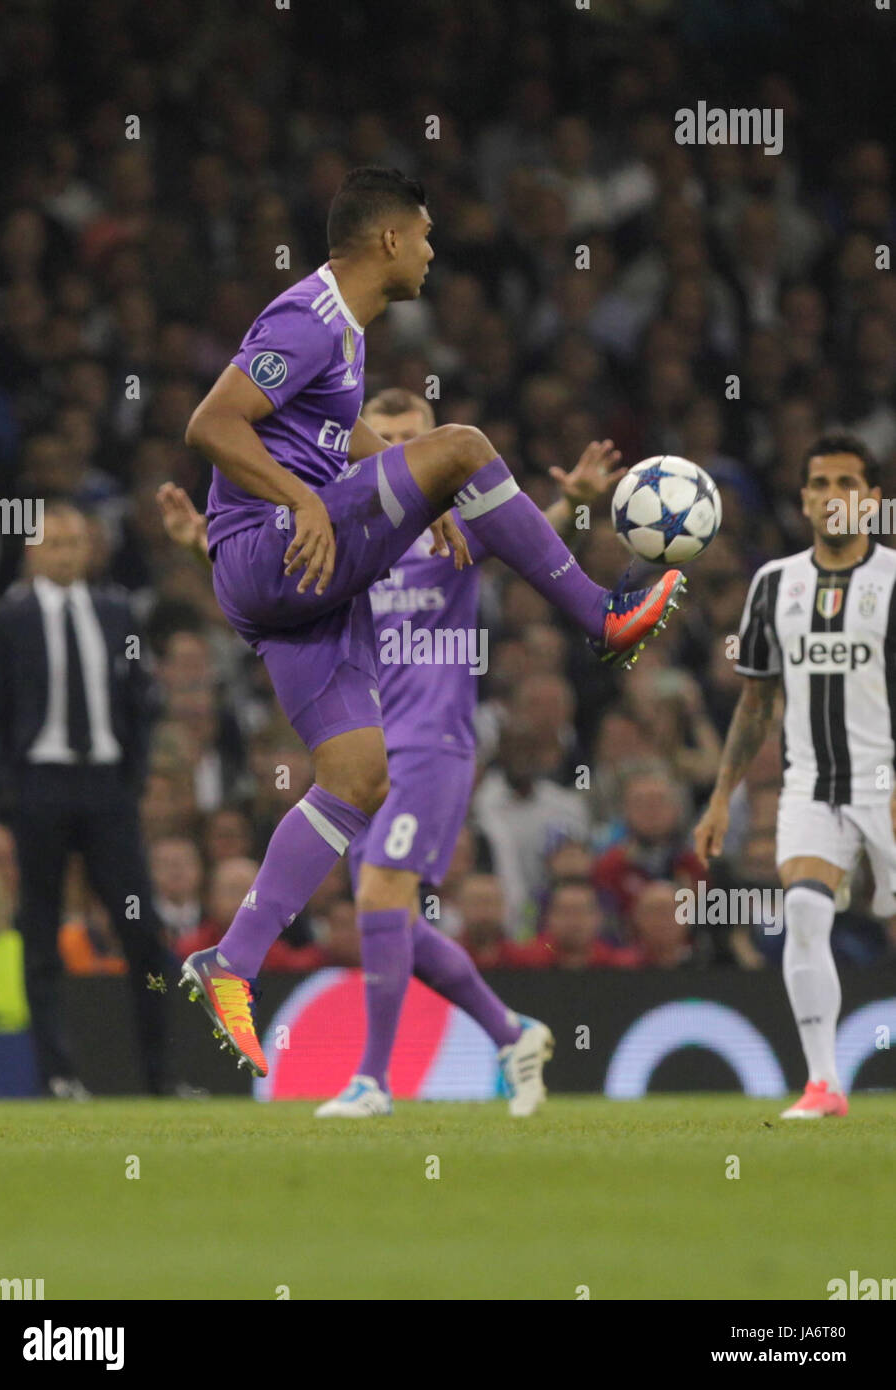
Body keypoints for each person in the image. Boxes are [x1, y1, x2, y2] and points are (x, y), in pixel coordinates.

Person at [177, 165, 686, 1081]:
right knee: (466, 445)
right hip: (273, 550)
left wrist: (427, 494)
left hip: (296, 596)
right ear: (386, 240)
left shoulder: (349, 332)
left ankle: (231, 960)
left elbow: (340, 440)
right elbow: (211, 424)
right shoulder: (306, 317)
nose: (432, 250)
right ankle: (601, 619)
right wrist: (308, 504)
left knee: (354, 775)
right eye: (423, 234)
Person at [159, 389, 623, 1115]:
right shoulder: (349, 544)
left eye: (413, 439)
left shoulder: (451, 531)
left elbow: (516, 530)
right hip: (366, 754)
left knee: (379, 895)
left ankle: (372, 1080)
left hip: (434, 746)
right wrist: (202, 544)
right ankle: (510, 1031)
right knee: (393, 918)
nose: (402, 454)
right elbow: (277, 586)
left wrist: (578, 506)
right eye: (385, 438)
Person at [695, 434, 896, 1119]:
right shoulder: (773, 583)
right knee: (806, 911)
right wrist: (721, 796)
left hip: (887, 780)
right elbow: (755, 702)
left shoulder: (894, 579)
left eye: (848, 483)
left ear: (871, 500)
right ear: (804, 498)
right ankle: (822, 1084)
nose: (833, 496)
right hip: (810, 782)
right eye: (820, 484)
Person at [0, 503, 172, 1097]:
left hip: (106, 786)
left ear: (89, 549)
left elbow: (140, 700)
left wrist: (133, 775)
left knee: (144, 933)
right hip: (39, 786)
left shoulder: (119, 614)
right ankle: (58, 1075)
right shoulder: (7, 621)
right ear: (33, 551)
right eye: (53, 543)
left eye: (74, 543)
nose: (65, 553)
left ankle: (160, 1079)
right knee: (40, 936)